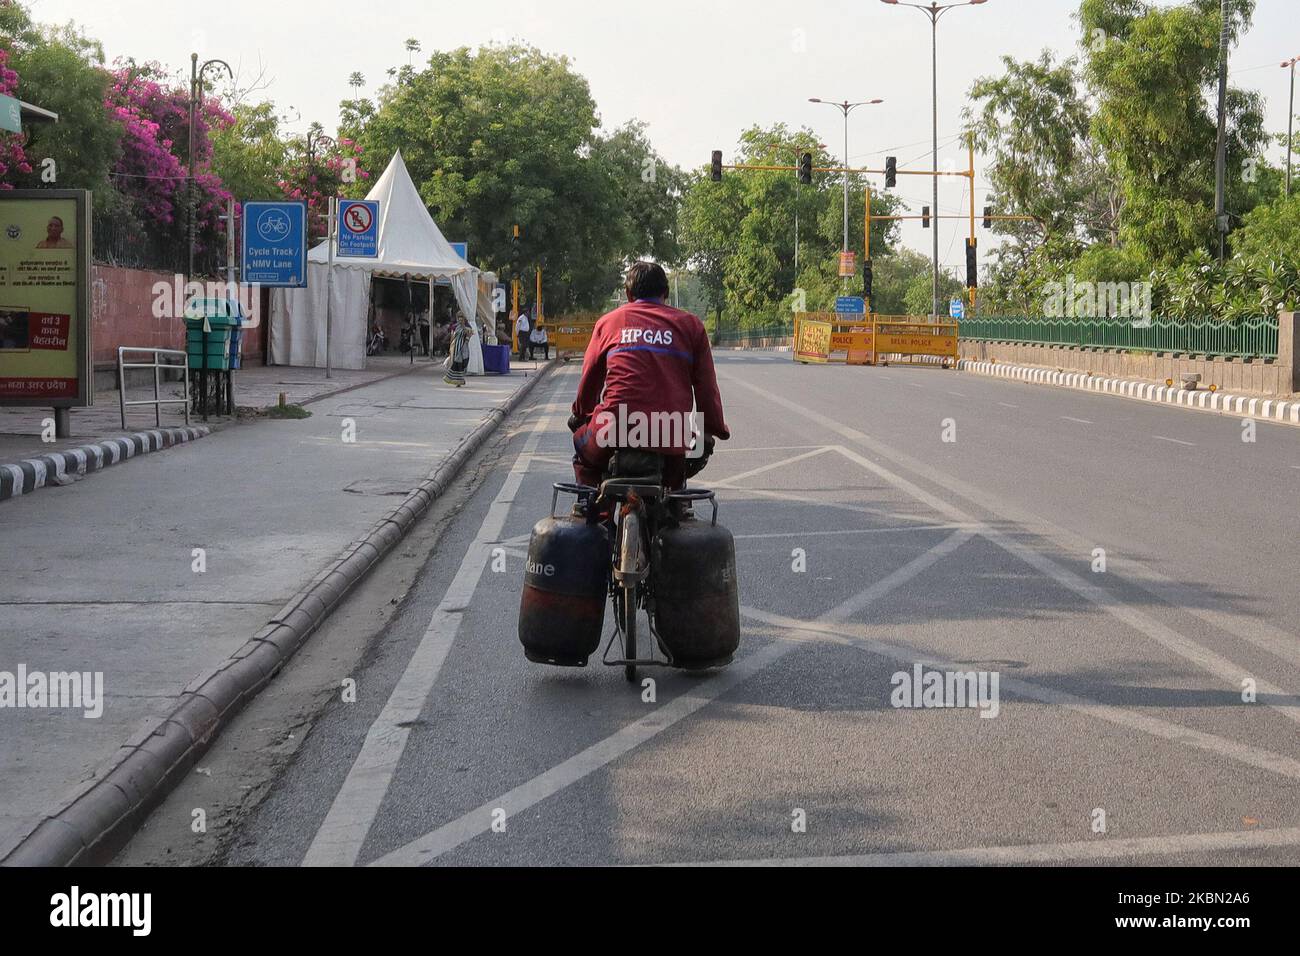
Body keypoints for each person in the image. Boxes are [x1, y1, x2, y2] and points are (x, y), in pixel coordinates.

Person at [569, 261, 729, 490]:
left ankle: (593, 513)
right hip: (671, 433)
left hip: (613, 427)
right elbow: (707, 387)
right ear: (665, 293)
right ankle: (675, 510)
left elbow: (590, 378)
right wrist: (710, 431)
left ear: (628, 293)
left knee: (585, 459)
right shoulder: (691, 325)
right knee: (675, 489)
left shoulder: (608, 322)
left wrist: (581, 413)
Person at [443, 313, 473, 387]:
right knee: (456, 363)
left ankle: (459, 380)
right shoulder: (455, 326)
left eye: (461, 317)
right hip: (455, 346)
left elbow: (469, 334)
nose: (460, 319)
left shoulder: (467, 327)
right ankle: (457, 380)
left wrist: (464, 327)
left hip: (463, 347)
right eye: (459, 317)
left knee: (462, 364)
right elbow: (452, 336)